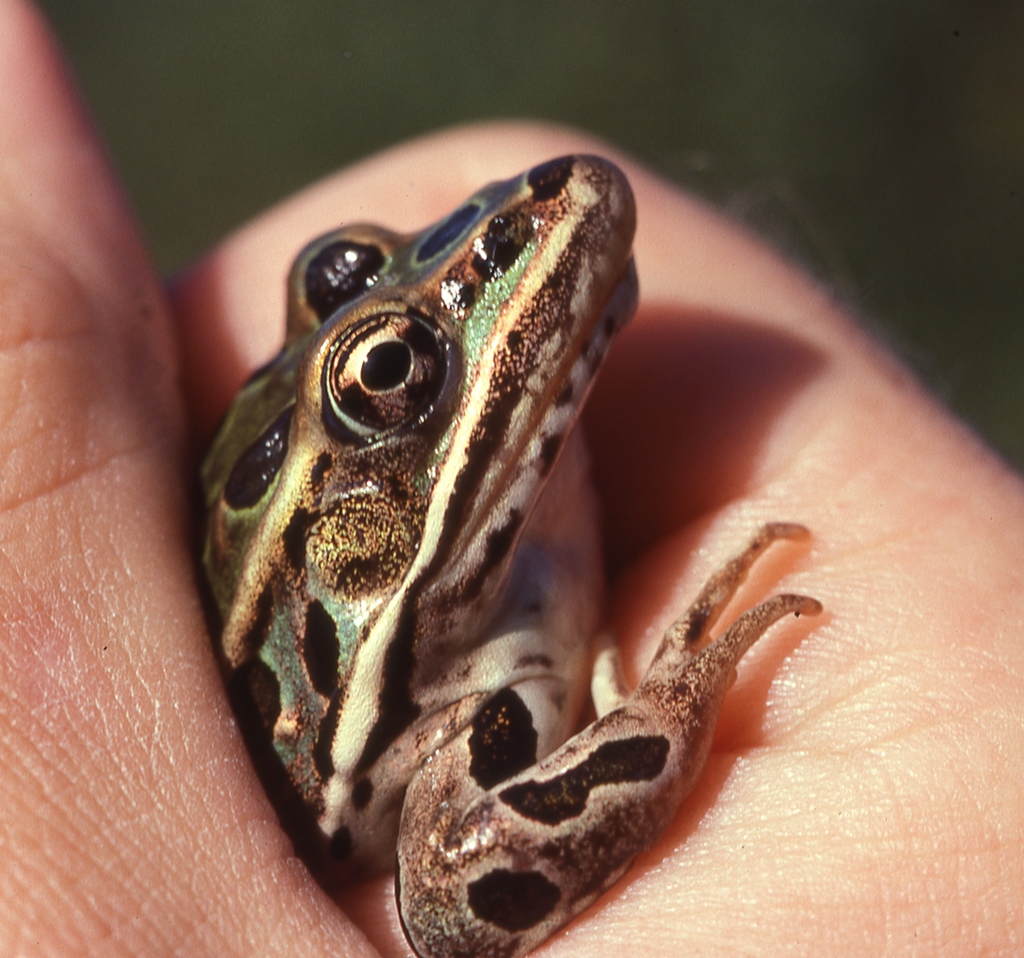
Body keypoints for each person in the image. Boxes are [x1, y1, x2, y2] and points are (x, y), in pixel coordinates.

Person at [1, 2, 1020, 954]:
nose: (498, 229)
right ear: (359, 541)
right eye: (391, 373)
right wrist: (671, 709)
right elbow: (451, 888)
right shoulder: (450, 732)